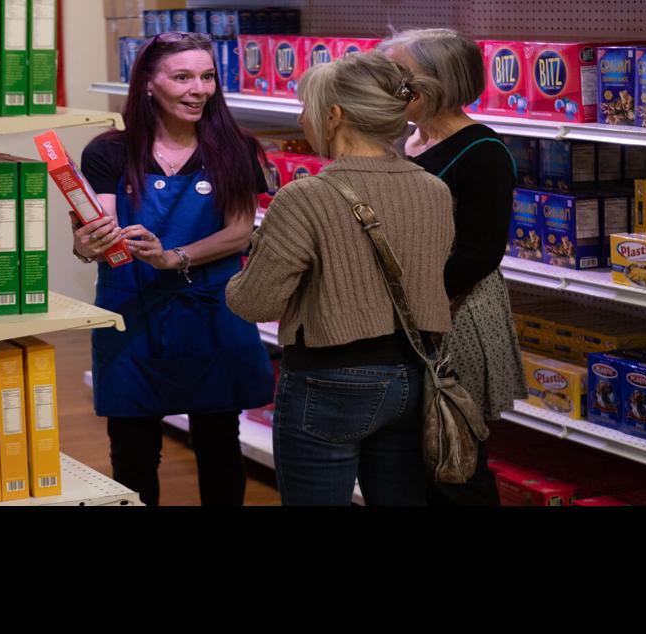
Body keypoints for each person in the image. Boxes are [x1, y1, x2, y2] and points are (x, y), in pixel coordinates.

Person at [225, 53, 453, 506]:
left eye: (306, 106)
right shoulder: (434, 189)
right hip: (413, 375)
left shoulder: (305, 196)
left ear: (334, 116)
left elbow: (256, 304)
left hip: (326, 381)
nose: (300, 118)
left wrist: (237, 277)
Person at [73, 31, 274, 507]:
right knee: (133, 450)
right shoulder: (108, 152)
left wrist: (174, 257)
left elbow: (242, 231)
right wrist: (88, 244)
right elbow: (101, 231)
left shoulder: (235, 147)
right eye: (182, 77)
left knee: (219, 443)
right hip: (132, 312)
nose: (198, 89)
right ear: (148, 82)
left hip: (214, 311)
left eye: (207, 76)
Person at [380, 28, 527, 506]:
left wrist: (407, 299)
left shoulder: (482, 151)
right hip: (409, 313)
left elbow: (479, 253)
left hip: (455, 316)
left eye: (400, 77)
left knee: (454, 450)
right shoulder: (407, 140)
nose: (389, 87)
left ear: (438, 82)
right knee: (413, 452)